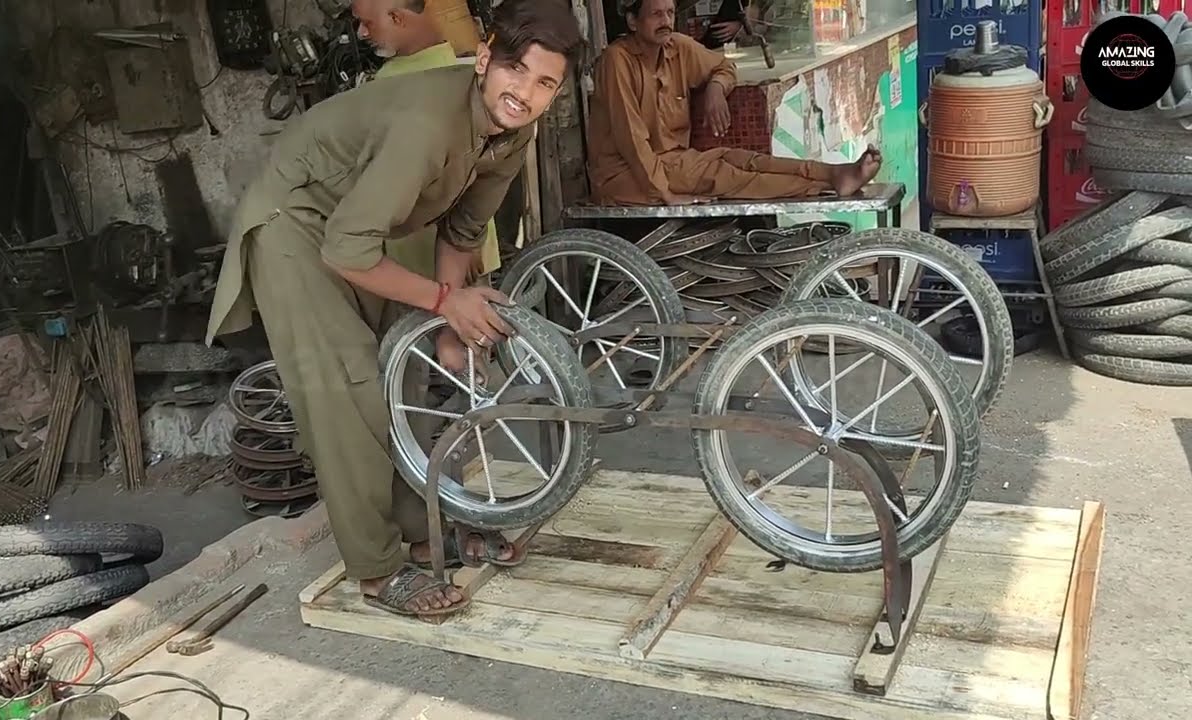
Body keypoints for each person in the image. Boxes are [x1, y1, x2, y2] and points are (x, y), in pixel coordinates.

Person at [205, 0, 585, 618]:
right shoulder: (427, 125)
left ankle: (426, 530)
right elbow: (344, 248)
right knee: (348, 387)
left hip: (354, 234)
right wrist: (445, 300)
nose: (525, 93)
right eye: (516, 71)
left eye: (545, 83)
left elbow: (462, 232)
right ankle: (378, 571)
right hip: (295, 230)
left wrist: (444, 325)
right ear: (485, 58)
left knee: (403, 371)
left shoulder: (515, 130)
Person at [586, 0, 881, 206]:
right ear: (632, 21)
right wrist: (665, 194)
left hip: (675, 161)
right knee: (728, 177)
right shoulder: (617, 60)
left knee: (741, 159)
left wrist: (715, 88)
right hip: (626, 174)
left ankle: (833, 172)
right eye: (655, 14)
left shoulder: (678, 46)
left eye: (670, 13)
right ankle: (825, 187)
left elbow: (725, 67)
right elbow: (631, 138)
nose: (665, 22)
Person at [352, 0, 503, 281]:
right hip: (416, 252)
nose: (361, 33)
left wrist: (463, 244)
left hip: (450, 251)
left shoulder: (455, 81)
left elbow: (473, 171)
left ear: (397, 18)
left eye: (367, 23)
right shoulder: (455, 71)